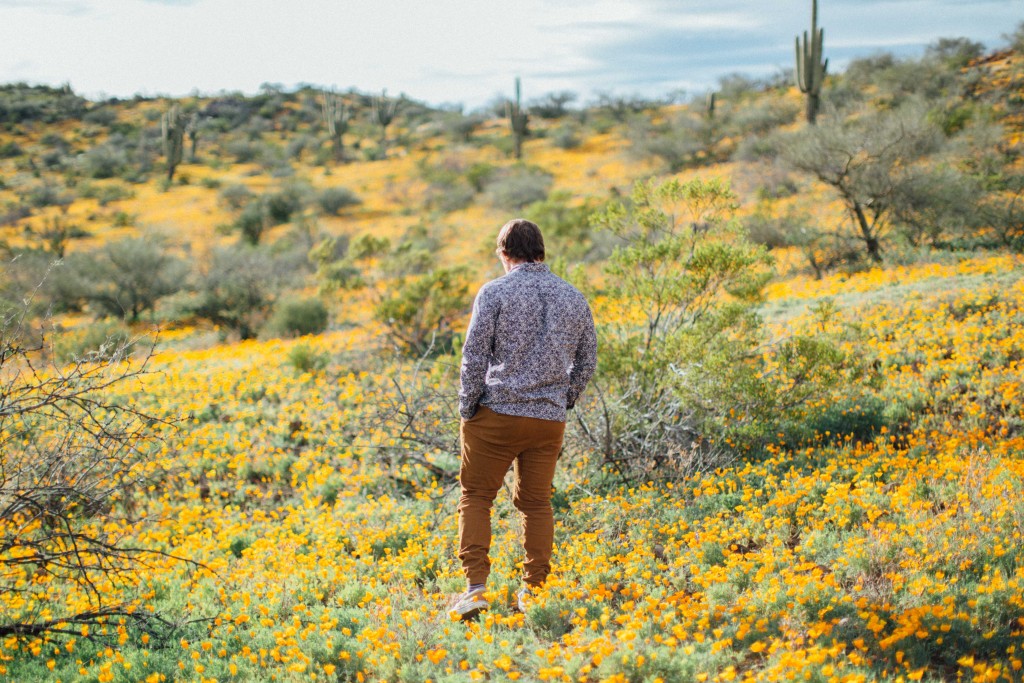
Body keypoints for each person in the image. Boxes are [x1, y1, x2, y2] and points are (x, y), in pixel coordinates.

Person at [450, 218, 597, 620]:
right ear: (541, 251)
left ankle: (476, 589)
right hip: (548, 420)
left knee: (477, 497)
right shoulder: (573, 296)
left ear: (504, 253)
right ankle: (534, 591)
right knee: (536, 504)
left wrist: (468, 407)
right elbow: (587, 361)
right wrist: (561, 400)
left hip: (497, 413)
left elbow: (474, 355)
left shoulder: (494, 292)